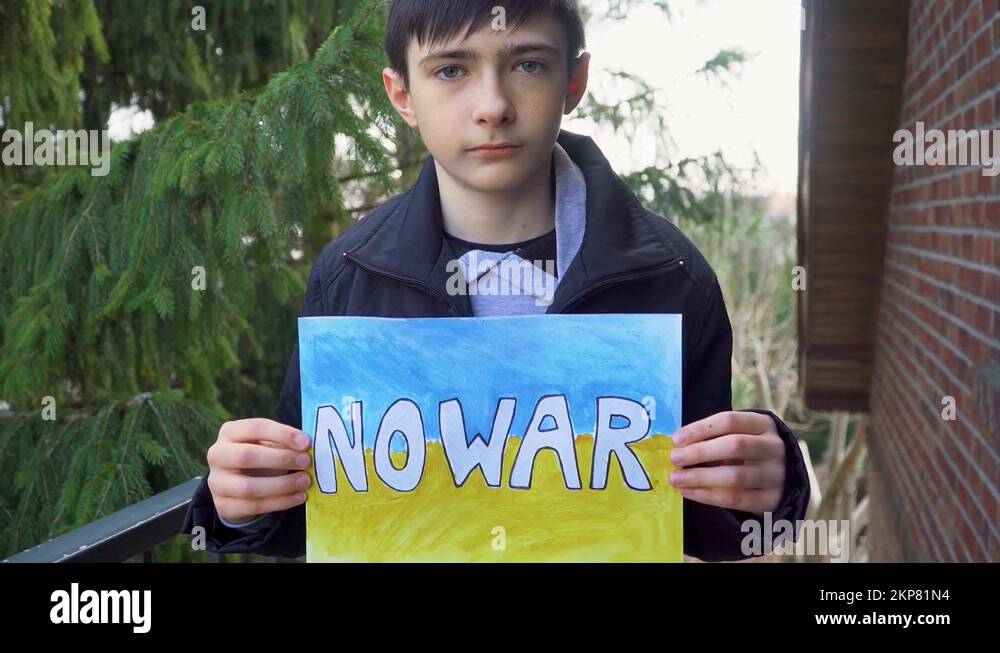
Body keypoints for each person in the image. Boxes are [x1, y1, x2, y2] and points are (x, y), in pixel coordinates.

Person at [181, 0, 810, 561]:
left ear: (575, 80)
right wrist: (239, 503)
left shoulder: (670, 275)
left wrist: (768, 489)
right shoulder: (347, 276)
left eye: (528, 64)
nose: (493, 106)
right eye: (451, 70)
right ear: (402, 95)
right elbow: (308, 519)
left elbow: (703, 526)